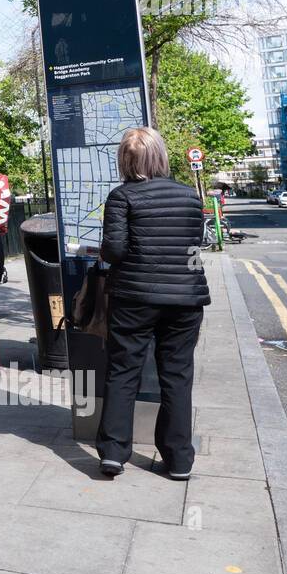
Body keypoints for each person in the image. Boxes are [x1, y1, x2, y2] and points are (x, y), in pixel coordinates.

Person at [96, 126, 210, 480]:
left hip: (134, 298)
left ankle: (114, 452)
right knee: (176, 376)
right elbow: (193, 247)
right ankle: (179, 460)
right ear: (159, 156)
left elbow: (114, 251)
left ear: (125, 161)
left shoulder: (121, 197)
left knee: (123, 371)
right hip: (185, 299)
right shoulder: (190, 196)